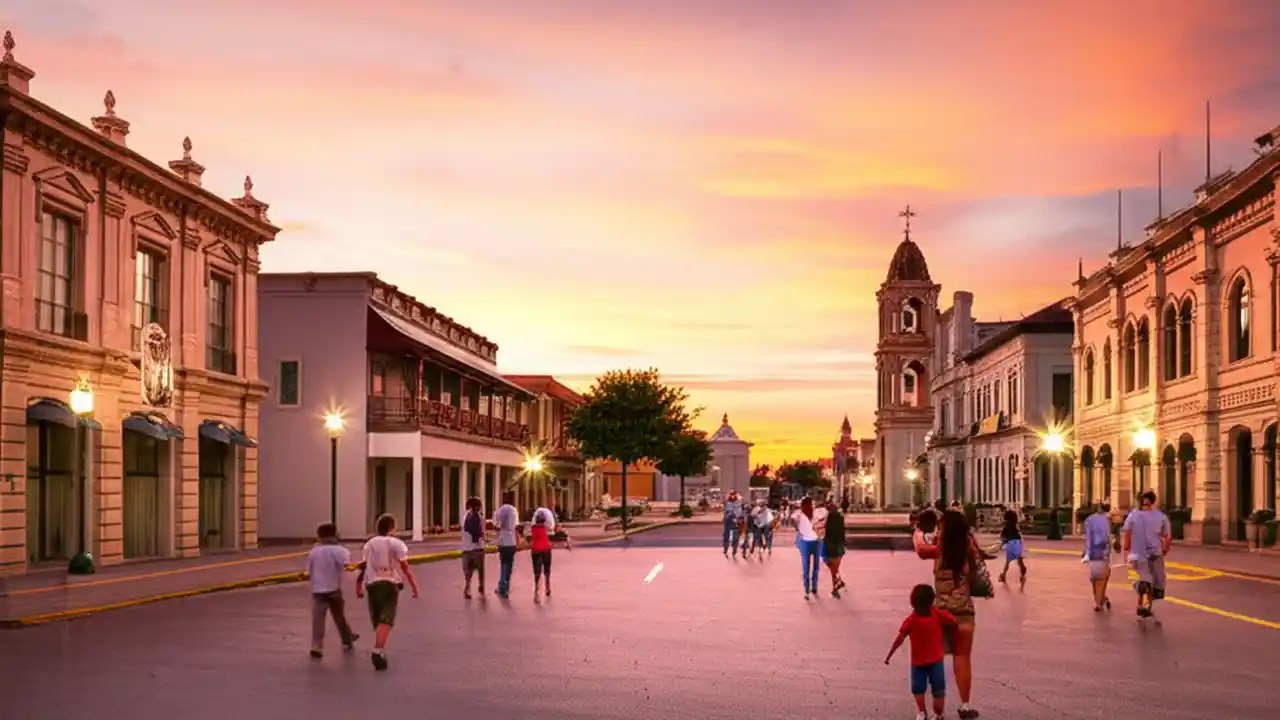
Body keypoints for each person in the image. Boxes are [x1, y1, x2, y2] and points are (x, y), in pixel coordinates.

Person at [916, 509, 982, 719]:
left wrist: (918, 529)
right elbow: (974, 575)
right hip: (964, 612)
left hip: (941, 613)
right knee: (962, 657)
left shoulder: (938, 551)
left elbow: (919, 549)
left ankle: (938, 711)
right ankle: (965, 705)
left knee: (935, 661)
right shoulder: (968, 550)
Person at [355, 514, 419, 671]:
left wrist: (358, 585)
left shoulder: (369, 544)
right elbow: (404, 567)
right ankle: (378, 650)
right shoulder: (396, 543)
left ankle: (379, 645)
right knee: (386, 618)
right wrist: (414, 586)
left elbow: (363, 565)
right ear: (392, 528)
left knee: (377, 619)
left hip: (371, 584)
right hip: (389, 583)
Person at [886, 584, 957, 720]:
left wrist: (890, 655)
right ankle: (937, 714)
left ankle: (922, 712)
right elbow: (953, 622)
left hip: (918, 662)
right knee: (939, 690)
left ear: (913, 603)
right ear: (932, 601)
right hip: (936, 660)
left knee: (918, 688)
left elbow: (899, 639)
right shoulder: (937, 614)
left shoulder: (911, 620)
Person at [306, 522, 358, 659]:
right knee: (339, 617)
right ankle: (347, 639)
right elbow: (347, 566)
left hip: (318, 590)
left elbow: (309, 571)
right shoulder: (340, 551)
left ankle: (316, 646)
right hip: (334, 589)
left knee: (318, 620)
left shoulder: (313, 552)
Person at [1123, 490, 1172, 618]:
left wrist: (1126, 548)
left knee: (1146, 581)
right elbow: (1167, 536)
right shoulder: (1161, 516)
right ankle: (1145, 605)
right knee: (1154, 581)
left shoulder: (1133, 515)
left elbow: (1127, 532)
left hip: (1138, 554)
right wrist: (1165, 549)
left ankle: (1141, 604)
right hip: (1154, 553)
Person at [1083, 502, 1113, 612]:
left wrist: (1086, 552)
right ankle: (1099, 602)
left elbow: (1088, 537)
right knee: (1101, 580)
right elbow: (1109, 537)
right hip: (1103, 554)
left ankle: (1100, 599)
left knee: (1095, 580)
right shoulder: (1107, 520)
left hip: (1092, 555)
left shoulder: (1089, 520)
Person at [794, 497, 822, 599]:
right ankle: (813, 588)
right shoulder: (802, 514)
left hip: (807, 542)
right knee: (815, 567)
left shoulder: (800, 514)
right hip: (815, 542)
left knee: (807, 567)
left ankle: (808, 589)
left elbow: (795, 525)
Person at [493, 492, 520, 597]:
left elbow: (495, 526)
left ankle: (502, 586)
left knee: (503, 564)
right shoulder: (514, 510)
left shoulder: (499, 511)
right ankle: (506, 586)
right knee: (509, 565)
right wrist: (518, 542)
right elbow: (516, 527)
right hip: (512, 541)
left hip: (503, 541)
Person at [461, 497, 486, 600]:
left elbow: (463, 530)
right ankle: (481, 587)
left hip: (466, 548)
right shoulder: (478, 517)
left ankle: (467, 588)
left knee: (468, 573)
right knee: (480, 570)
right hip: (477, 548)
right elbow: (480, 532)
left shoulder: (465, 516)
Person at [529, 508, 554, 600]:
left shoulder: (533, 528)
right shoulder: (545, 528)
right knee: (547, 570)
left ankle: (536, 591)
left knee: (537, 572)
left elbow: (530, 538)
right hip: (545, 549)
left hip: (535, 550)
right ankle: (547, 587)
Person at [823, 500, 847, 597]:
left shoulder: (829, 517)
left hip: (830, 544)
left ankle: (836, 586)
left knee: (832, 567)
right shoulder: (840, 517)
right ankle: (838, 583)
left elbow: (826, 531)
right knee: (835, 567)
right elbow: (842, 530)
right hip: (839, 544)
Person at [997, 509, 1027, 584]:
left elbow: (1003, 537)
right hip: (1017, 542)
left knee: (1008, 561)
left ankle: (1003, 575)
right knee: (1020, 561)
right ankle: (1022, 576)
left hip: (1010, 543)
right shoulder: (1015, 525)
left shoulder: (1006, 526)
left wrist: (1002, 543)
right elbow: (1019, 535)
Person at [723, 491, 743, 556]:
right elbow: (726, 511)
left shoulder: (738, 503)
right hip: (728, 520)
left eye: (733, 495)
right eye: (731, 495)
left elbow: (739, 513)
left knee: (736, 535)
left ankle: (734, 549)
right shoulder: (727, 503)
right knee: (726, 535)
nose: (732, 496)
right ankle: (725, 549)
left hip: (735, 521)